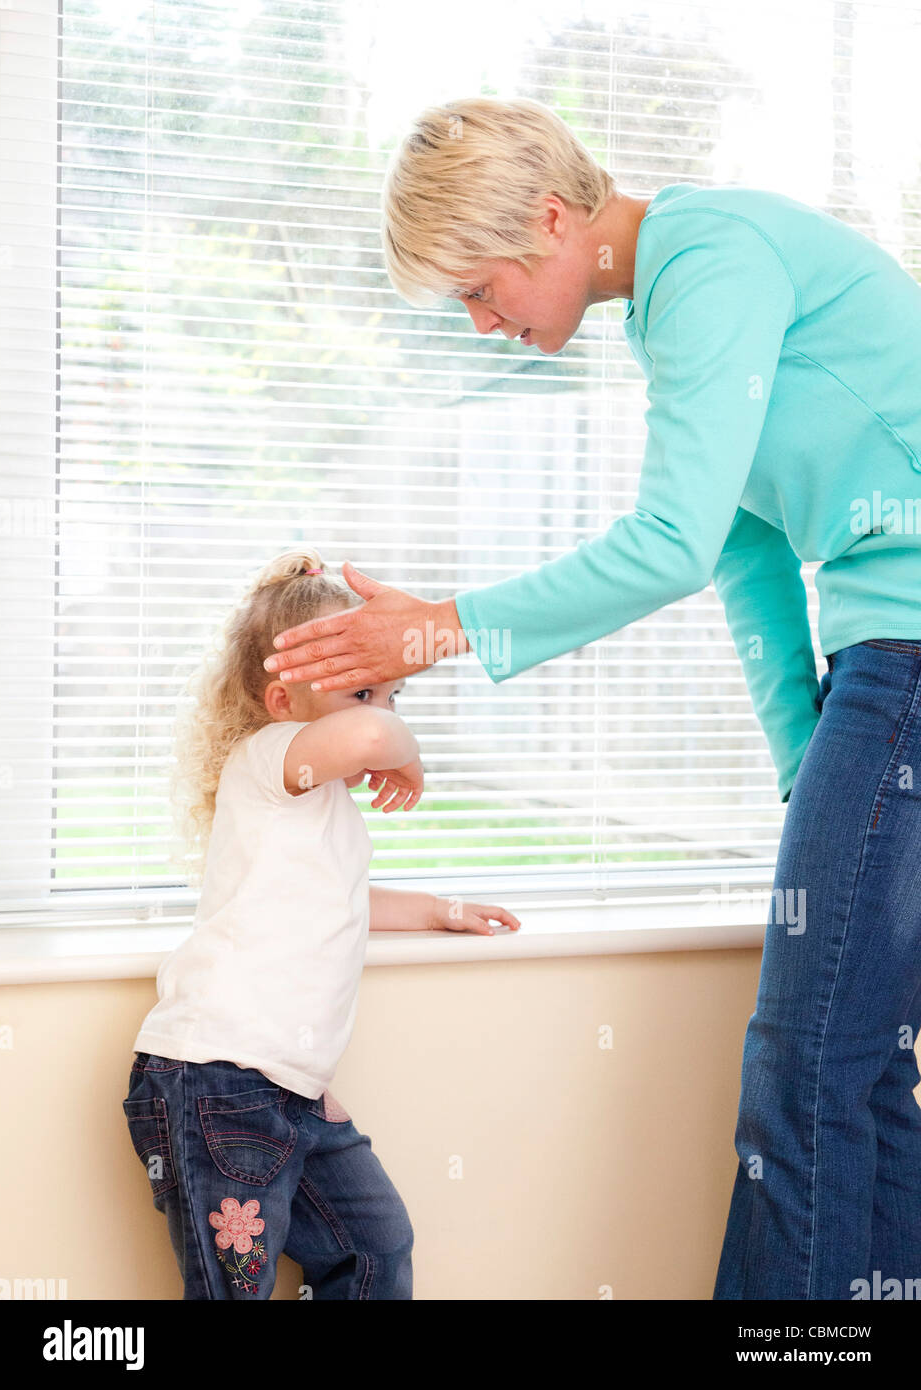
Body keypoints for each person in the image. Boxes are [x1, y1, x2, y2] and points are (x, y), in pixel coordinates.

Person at [259, 97, 921, 1300]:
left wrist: (440, 624)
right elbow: (742, 553)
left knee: (809, 1066)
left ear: (551, 219)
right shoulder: (674, 304)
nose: (481, 321)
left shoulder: (708, 264)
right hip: (882, 656)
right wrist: (803, 766)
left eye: (479, 286)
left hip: (909, 646)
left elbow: (667, 544)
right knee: (859, 1069)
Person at [123, 547, 519, 1300]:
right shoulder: (269, 764)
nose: (385, 715)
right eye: (363, 691)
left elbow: (342, 900)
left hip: (284, 1090)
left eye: (393, 694)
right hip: (216, 1081)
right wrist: (408, 756)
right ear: (282, 702)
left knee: (374, 1245)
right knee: (234, 1286)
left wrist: (442, 911)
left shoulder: (319, 808)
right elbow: (374, 743)